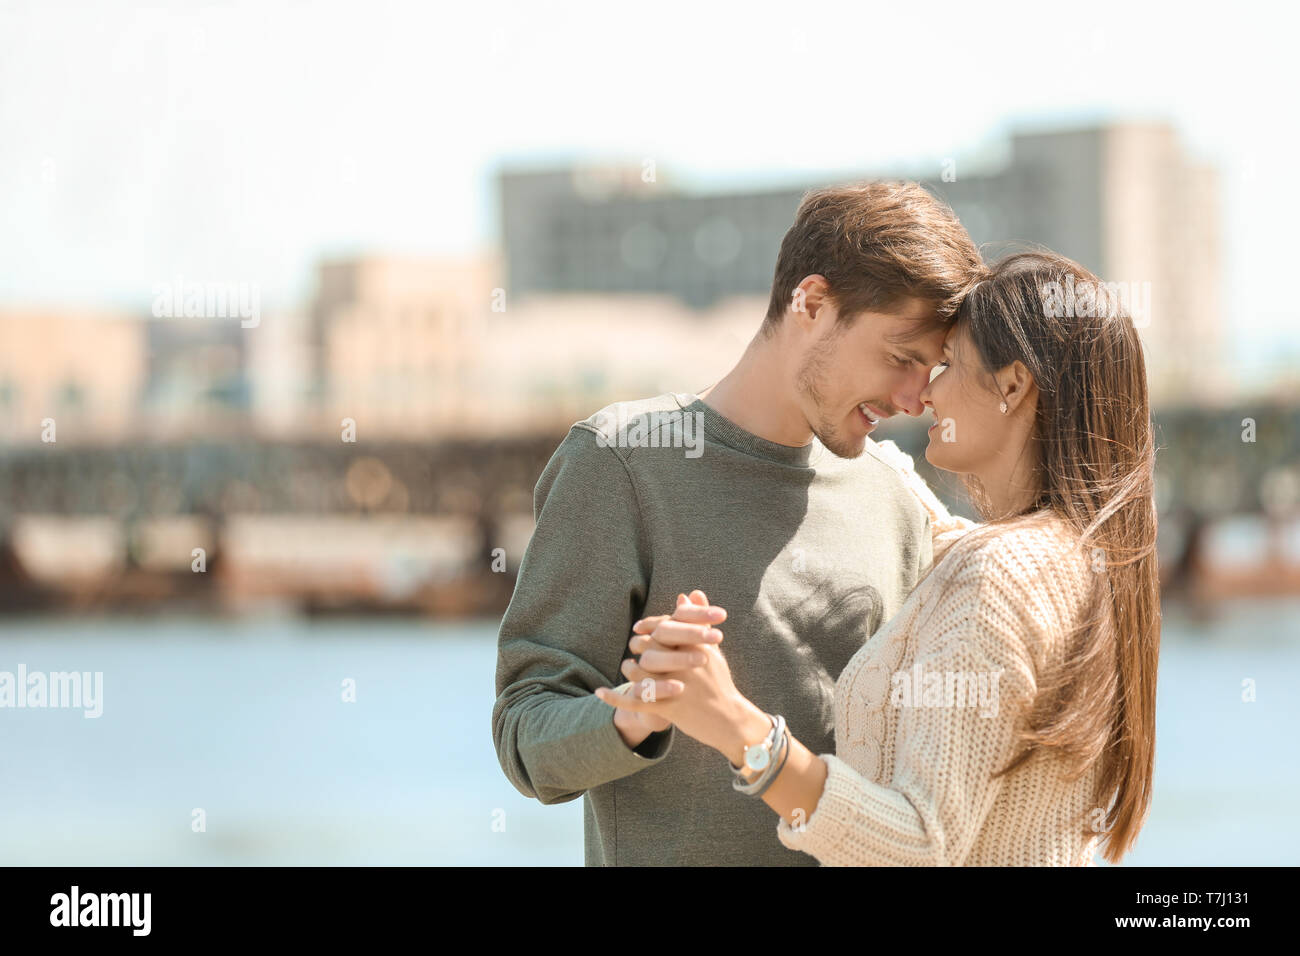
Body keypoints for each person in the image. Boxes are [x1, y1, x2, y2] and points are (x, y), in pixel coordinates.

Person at [597, 251, 1161, 866]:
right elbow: (949, 543)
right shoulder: (1074, 560)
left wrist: (735, 725)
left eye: (947, 364)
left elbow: (919, 845)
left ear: (1012, 384)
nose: (924, 396)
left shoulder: (999, 575)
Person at [492, 180, 985, 865]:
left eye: (929, 370)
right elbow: (525, 735)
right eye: (901, 357)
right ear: (811, 302)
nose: (912, 398)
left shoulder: (896, 500)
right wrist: (637, 712)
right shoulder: (620, 463)